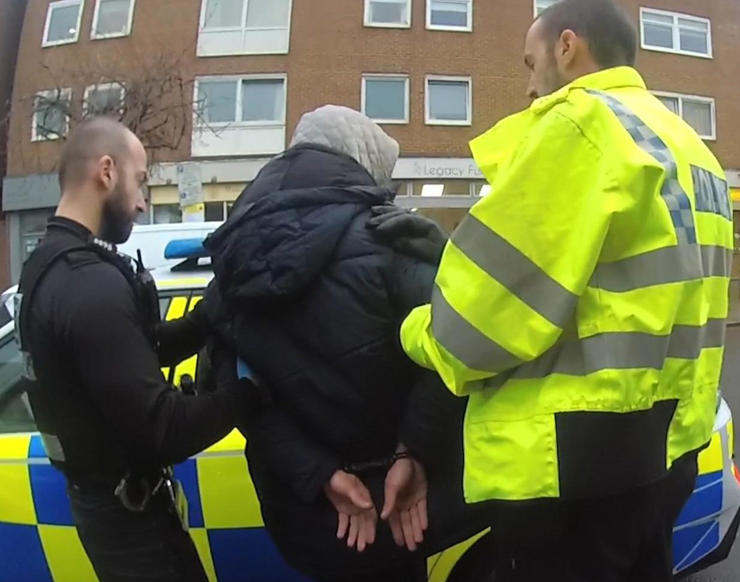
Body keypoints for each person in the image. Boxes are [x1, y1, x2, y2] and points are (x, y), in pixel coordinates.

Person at [394, 0, 733, 580]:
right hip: (669, 452)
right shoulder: (692, 148)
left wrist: (413, 330)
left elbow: (472, 328)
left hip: (571, 473)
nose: (530, 87)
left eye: (531, 63)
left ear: (567, 47)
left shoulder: (579, 126)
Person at [204, 105, 487, 582]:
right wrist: (411, 452)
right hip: (405, 505)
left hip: (307, 513)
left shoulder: (232, 255)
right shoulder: (392, 239)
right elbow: (454, 348)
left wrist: (318, 474)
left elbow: (233, 387)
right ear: (360, 163)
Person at [15, 117, 258, 582]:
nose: (143, 202)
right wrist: (251, 393)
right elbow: (163, 430)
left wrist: (207, 318)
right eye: (142, 181)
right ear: (107, 172)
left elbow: (132, 352)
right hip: (132, 526)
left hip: (108, 509)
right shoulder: (88, 284)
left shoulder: (48, 266)